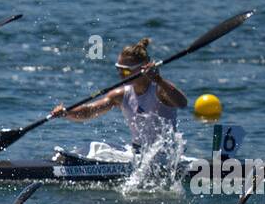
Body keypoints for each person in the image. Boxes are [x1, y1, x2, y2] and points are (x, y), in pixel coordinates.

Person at [50, 37, 187, 160]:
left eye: (126, 71)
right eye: (118, 69)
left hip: (164, 156)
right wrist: (67, 112)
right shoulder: (121, 94)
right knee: (94, 146)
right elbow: (89, 111)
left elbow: (182, 103)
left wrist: (159, 79)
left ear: (142, 68)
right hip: (138, 152)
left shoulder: (159, 89)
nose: (121, 75)